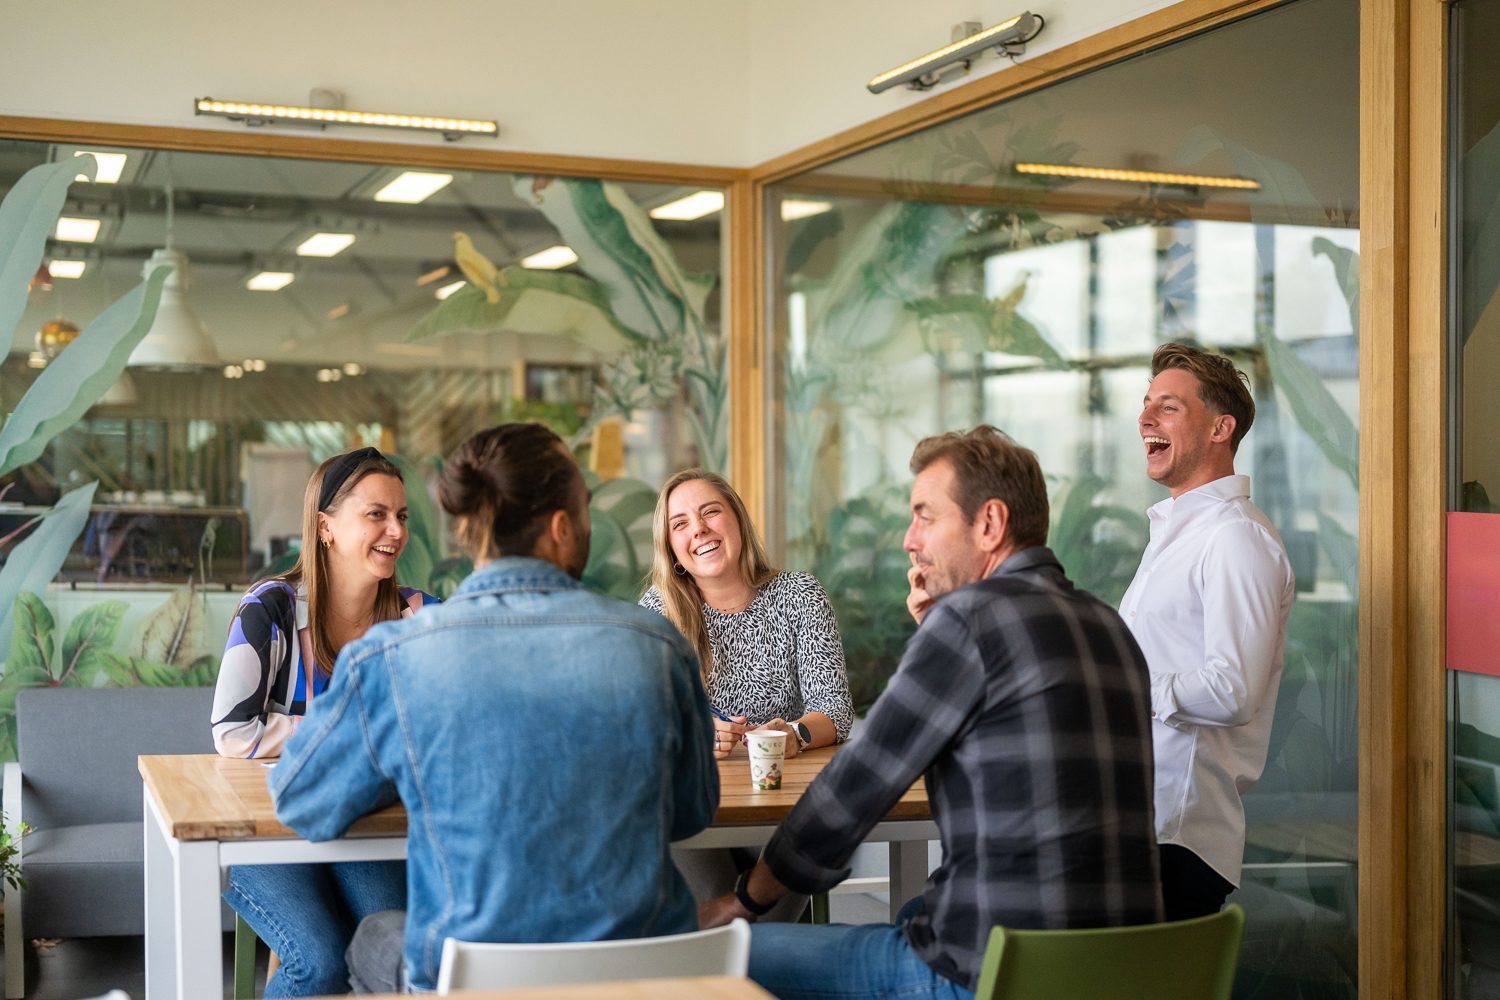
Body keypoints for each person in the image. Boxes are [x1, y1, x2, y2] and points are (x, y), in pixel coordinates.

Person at [702, 425, 1162, 999]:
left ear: (989, 524)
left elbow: (857, 785)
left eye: (925, 515)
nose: (908, 539)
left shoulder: (971, 621)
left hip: (995, 974)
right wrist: (936, 630)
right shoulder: (1108, 625)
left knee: (731, 957)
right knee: (914, 908)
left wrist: (746, 897)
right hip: (1124, 970)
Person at [269, 423, 719, 993]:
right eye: (583, 512)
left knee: (375, 937)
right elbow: (693, 811)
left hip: (469, 979)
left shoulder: (396, 656)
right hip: (639, 978)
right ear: (561, 527)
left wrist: (403, 761)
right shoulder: (657, 644)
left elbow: (302, 799)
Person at [210, 446, 437, 997]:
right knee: (319, 963)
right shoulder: (270, 609)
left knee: (402, 959)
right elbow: (232, 732)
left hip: (361, 826)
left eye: (401, 516)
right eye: (376, 514)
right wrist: (359, 734)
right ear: (325, 527)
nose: (395, 530)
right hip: (264, 834)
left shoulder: (419, 617)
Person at [1122, 342, 1295, 921]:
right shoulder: (1177, 533)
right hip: (1143, 823)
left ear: (1221, 428)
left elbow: (1233, 690)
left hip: (1179, 835)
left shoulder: (1235, 538)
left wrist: (1119, 689)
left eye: (1168, 407)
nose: (1144, 418)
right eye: (1147, 405)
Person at [641, 469, 853, 922]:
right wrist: (694, 734)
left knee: (795, 850)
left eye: (709, 512)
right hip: (696, 810)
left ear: (737, 519)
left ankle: (738, 961)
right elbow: (643, 723)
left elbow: (835, 712)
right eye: (679, 524)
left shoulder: (799, 594)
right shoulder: (658, 612)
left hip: (783, 808)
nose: (697, 529)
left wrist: (794, 733)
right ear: (672, 548)